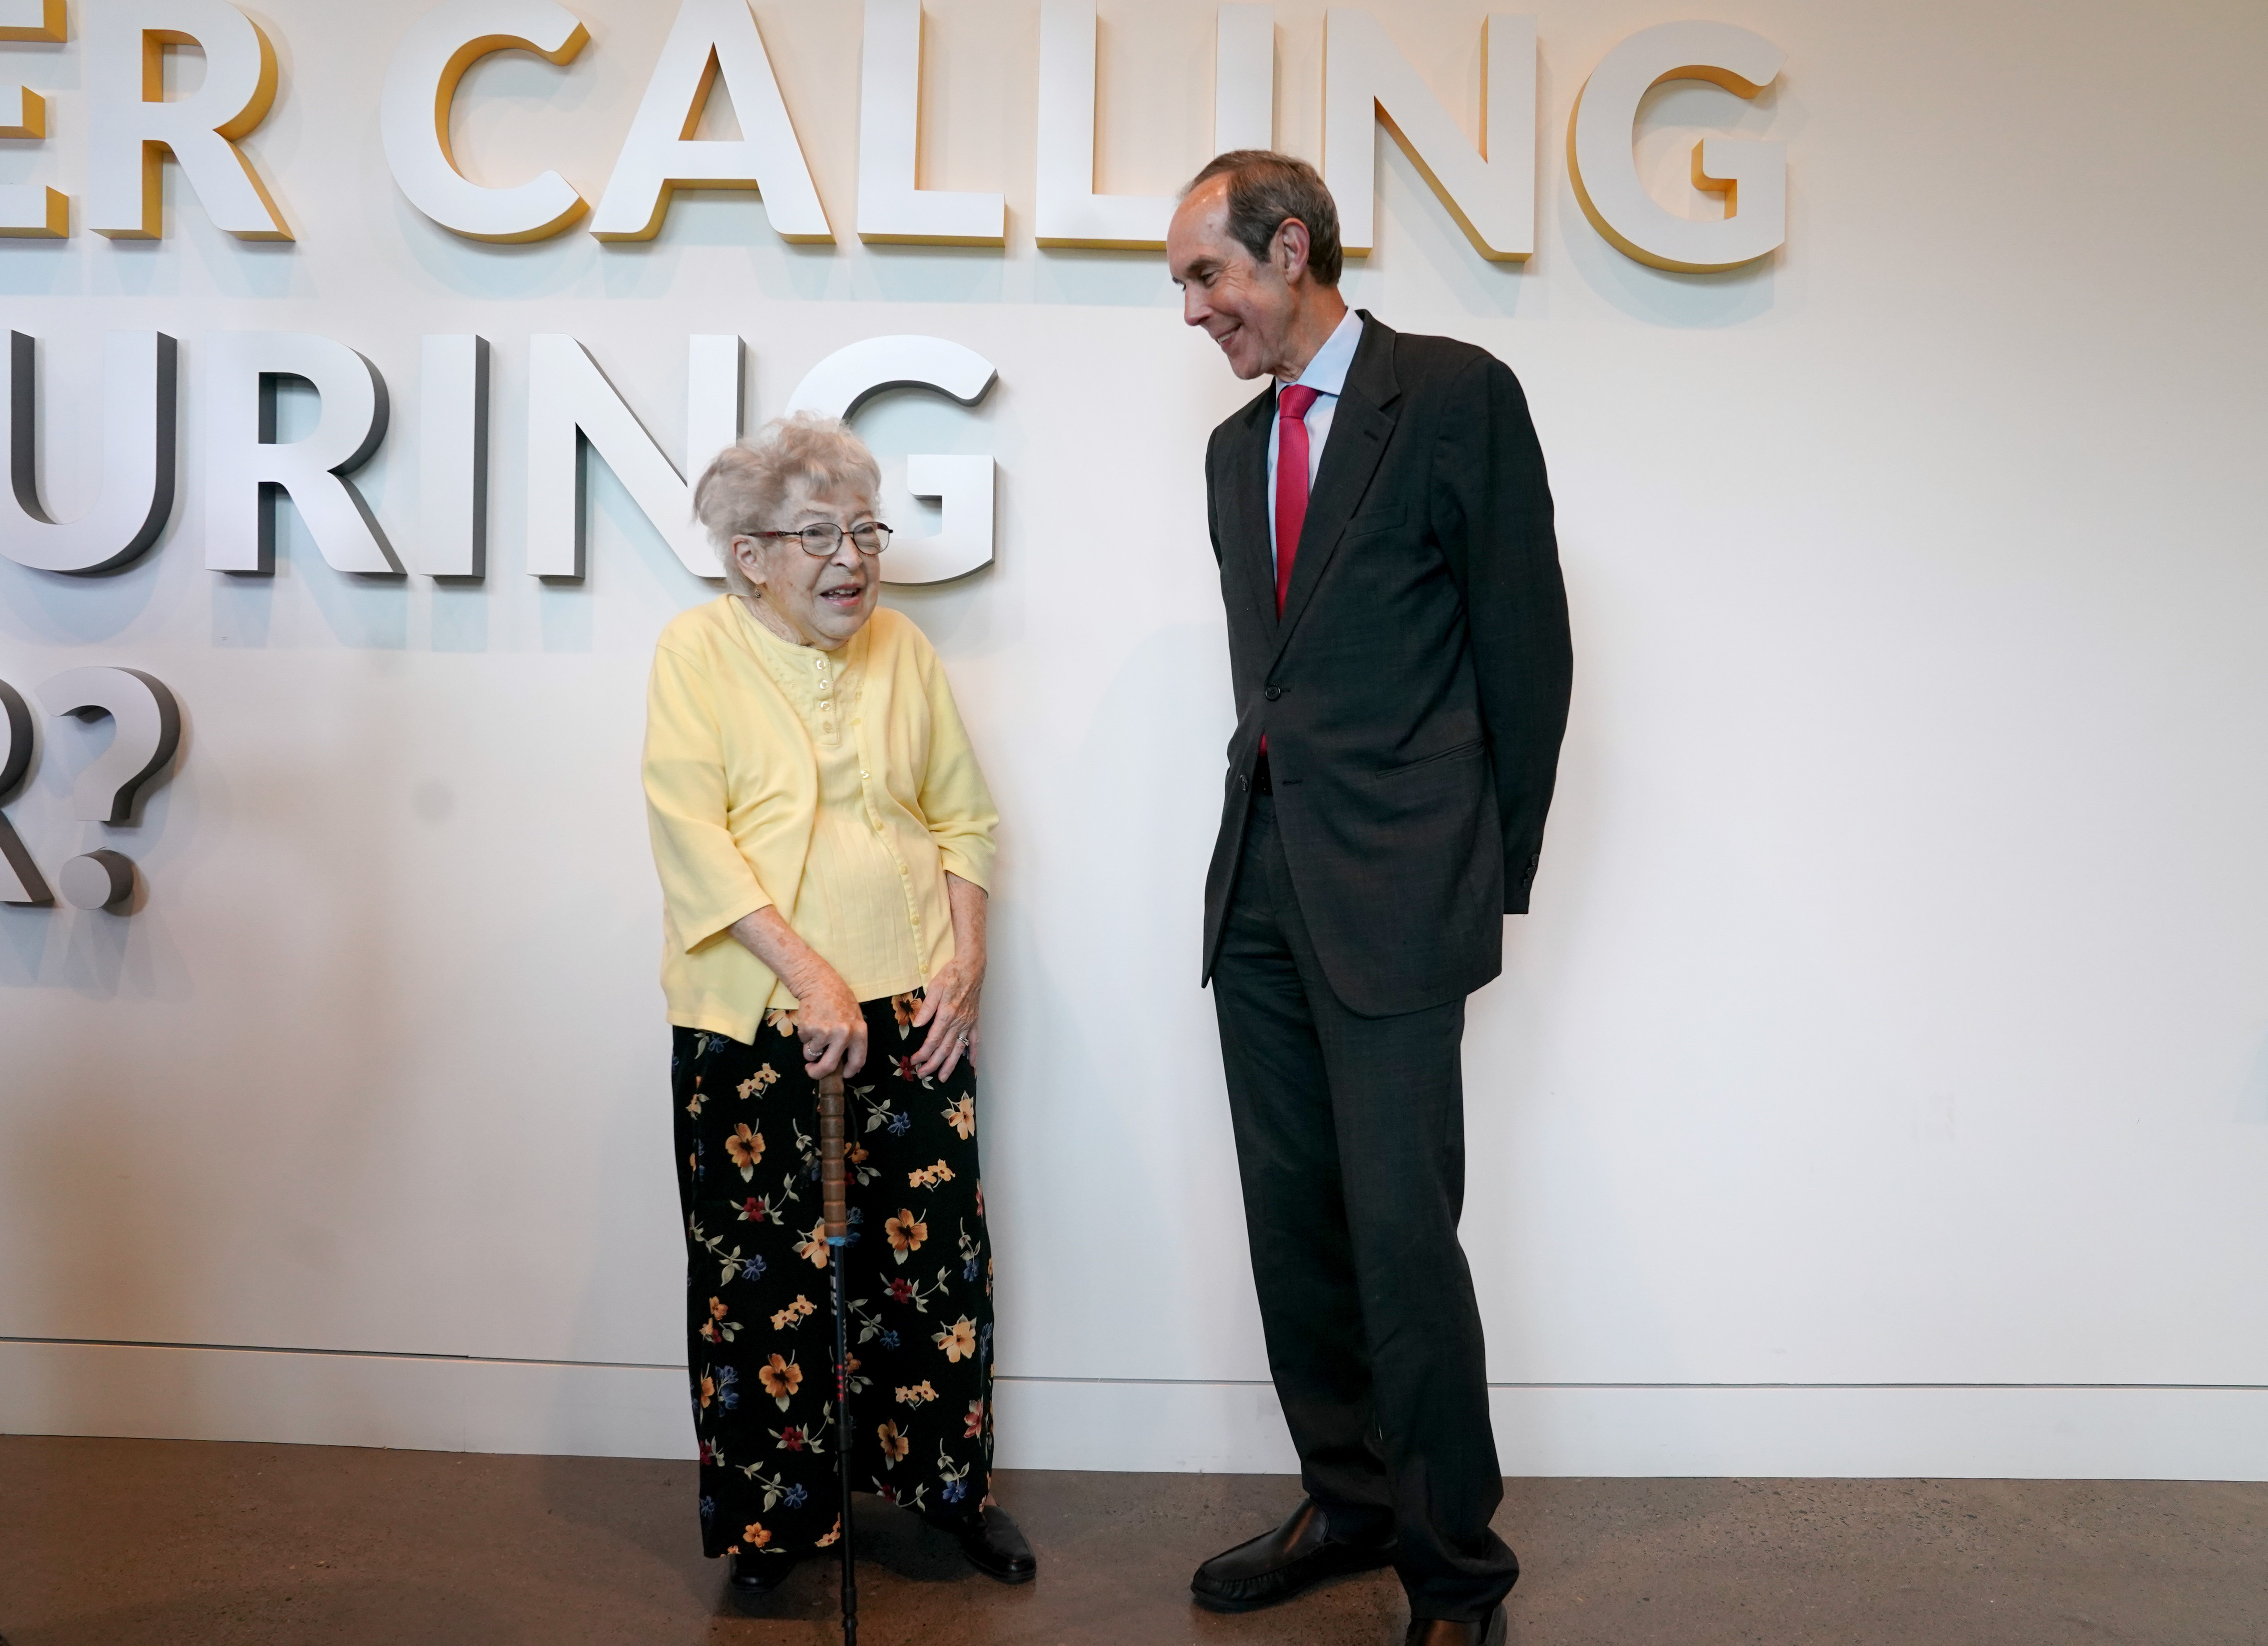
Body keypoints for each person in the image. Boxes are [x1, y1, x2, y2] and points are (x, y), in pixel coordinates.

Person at [1165, 152, 1573, 1646]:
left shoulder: (1453, 396)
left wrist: (1480, 876)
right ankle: (1344, 1503)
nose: (1194, 311)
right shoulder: (1233, 454)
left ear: (1290, 249)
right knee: (1296, 1230)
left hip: (1400, 892)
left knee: (1403, 1241)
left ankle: (1454, 1569)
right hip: (1259, 888)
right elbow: (1272, 681)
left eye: (1206, 275)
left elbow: (1526, 654)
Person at [641, 413, 1035, 1606]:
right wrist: (812, 978)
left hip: (916, 1004)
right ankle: (775, 1522)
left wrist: (966, 965)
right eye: (817, 535)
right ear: (750, 556)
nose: (850, 559)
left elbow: (965, 819)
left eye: (864, 531)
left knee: (935, 1267)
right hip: (756, 1015)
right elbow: (692, 839)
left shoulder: (904, 648)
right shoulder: (696, 652)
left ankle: (948, 1491)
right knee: (762, 1278)